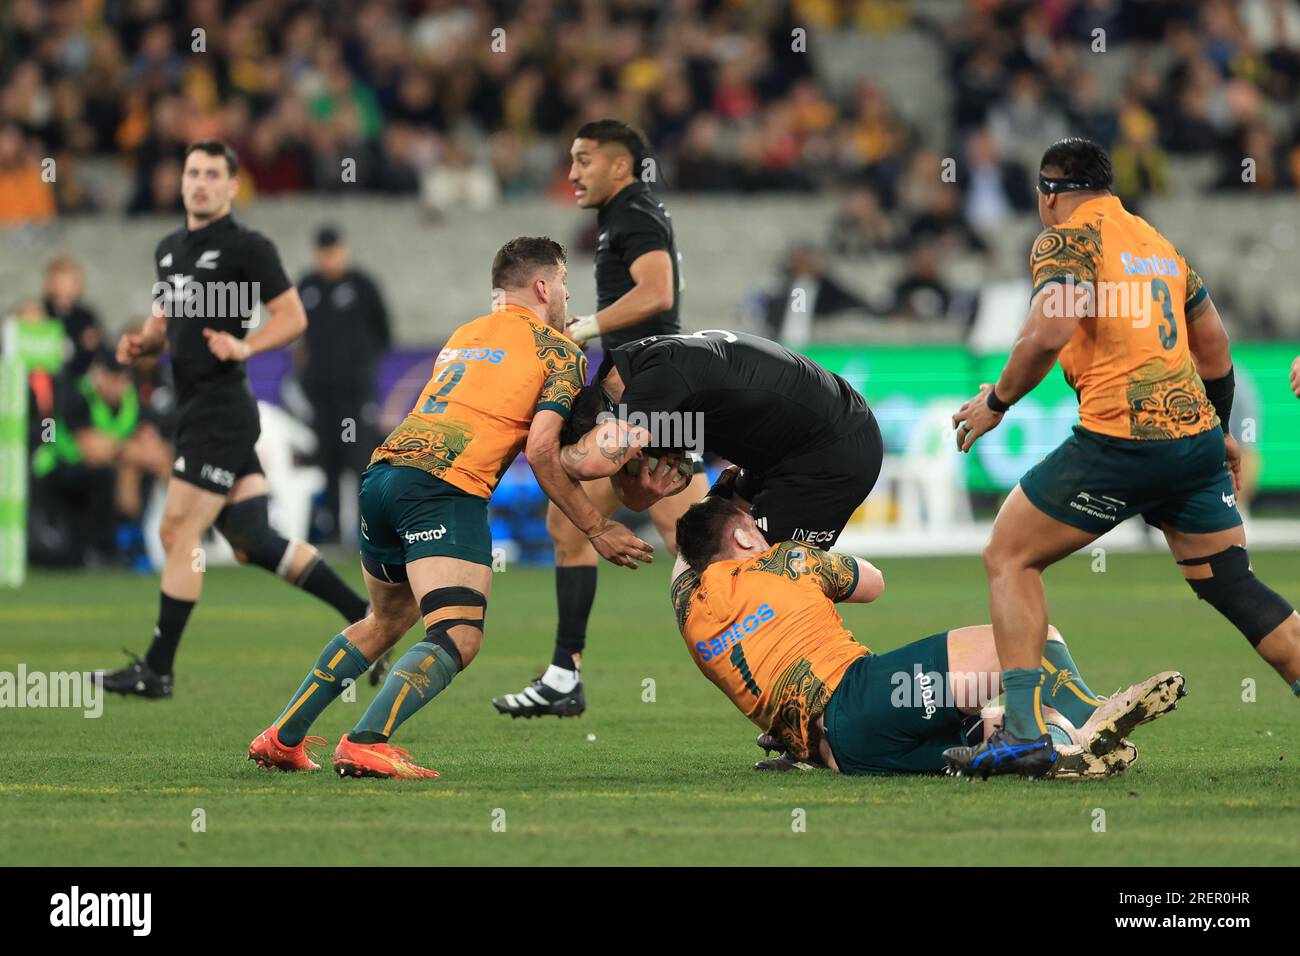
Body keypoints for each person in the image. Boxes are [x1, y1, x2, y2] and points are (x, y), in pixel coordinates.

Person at [247, 237, 670, 778]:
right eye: (564, 283)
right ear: (544, 287)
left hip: (382, 478)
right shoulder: (557, 352)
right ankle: (365, 741)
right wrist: (595, 525)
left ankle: (282, 738)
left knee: (385, 618)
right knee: (456, 635)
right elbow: (543, 450)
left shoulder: (466, 334)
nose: (568, 293)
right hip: (445, 488)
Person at [947, 137, 1300, 778]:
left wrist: (996, 402)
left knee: (1009, 553)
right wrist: (1217, 431)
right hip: (1191, 444)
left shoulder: (1067, 239)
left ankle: (1023, 733)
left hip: (1120, 439)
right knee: (1231, 583)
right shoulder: (1158, 246)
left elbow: (1048, 332)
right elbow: (1215, 347)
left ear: (1049, 193)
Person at [98, 141, 370, 700]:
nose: (198, 182)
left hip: (220, 410)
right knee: (252, 541)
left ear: (230, 186)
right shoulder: (169, 249)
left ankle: (158, 668)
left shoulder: (247, 247)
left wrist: (246, 347)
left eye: (211, 174)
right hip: (201, 408)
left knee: (176, 531)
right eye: (191, 172)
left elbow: (292, 317)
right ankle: (367, 618)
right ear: (181, 182)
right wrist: (141, 344)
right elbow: (163, 318)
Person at [670, 496, 1183, 779]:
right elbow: (872, 583)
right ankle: (1093, 712)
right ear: (741, 538)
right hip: (864, 697)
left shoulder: (691, 616)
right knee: (1030, 633)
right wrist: (805, 559)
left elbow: (684, 558)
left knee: (1011, 728)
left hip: (846, 755)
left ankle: (1068, 748)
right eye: (753, 532)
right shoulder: (782, 560)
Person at [491, 119, 709, 719]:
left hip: (658, 400)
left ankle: (772, 670)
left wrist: (584, 327)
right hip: (643, 393)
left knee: (696, 542)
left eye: (584, 160)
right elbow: (646, 305)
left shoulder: (635, 212)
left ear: (620, 166)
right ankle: (565, 674)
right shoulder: (624, 216)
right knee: (570, 528)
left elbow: (658, 292)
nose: (571, 172)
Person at [557, 330, 884, 555]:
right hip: (780, 453)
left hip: (831, 450)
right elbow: (635, 497)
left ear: (606, 423)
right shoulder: (623, 378)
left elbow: (593, 463)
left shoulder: (655, 381)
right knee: (700, 550)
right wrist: (642, 489)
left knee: (764, 577)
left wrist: (550, 455)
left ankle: (858, 580)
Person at [297, 224, 392, 544]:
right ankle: (334, 532)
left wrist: (361, 367)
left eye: (333, 251)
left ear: (343, 250)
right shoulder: (307, 287)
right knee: (328, 462)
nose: (329, 258)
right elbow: (299, 338)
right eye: (323, 252)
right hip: (322, 397)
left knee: (361, 461)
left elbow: (383, 333)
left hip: (355, 395)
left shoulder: (362, 286)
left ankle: (369, 532)